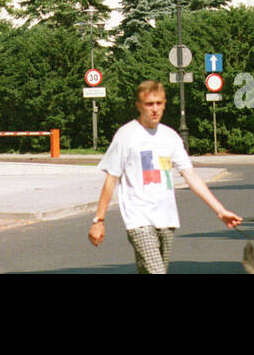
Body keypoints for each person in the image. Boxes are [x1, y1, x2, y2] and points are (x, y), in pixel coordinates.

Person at [88, 80, 241, 274]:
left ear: (165, 104)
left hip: (167, 218)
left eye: (159, 103)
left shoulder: (170, 137)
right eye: (149, 104)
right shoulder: (126, 135)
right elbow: (112, 178)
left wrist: (220, 211)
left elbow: (191, 176)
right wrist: (98, 220)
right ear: (138, 106)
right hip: (139, 219)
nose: (155, 109)